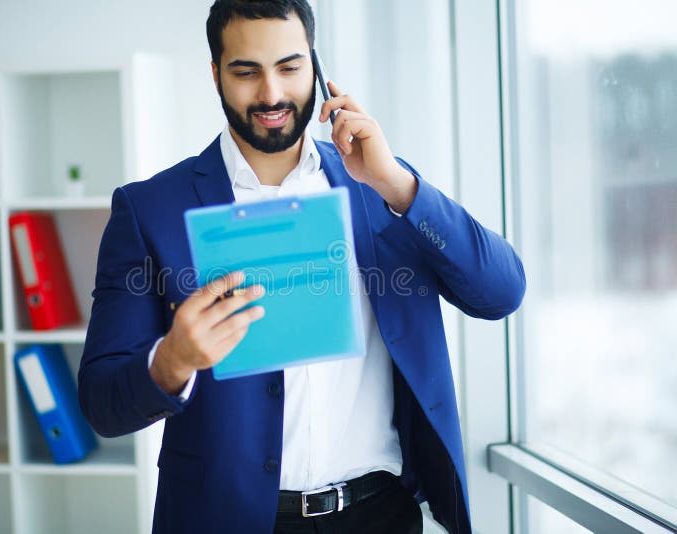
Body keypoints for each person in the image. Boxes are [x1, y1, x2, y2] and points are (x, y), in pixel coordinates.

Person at [78, 1, 525, 532]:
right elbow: (103, 404)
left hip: (379, 515)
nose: (271, 94)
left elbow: (502, 292)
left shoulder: (380, 186)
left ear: (316, 67)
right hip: (230, 520)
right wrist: (172, 361)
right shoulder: (150, 209)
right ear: (216, 73)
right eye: (247, 71)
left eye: (290, 68)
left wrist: (397, 185)